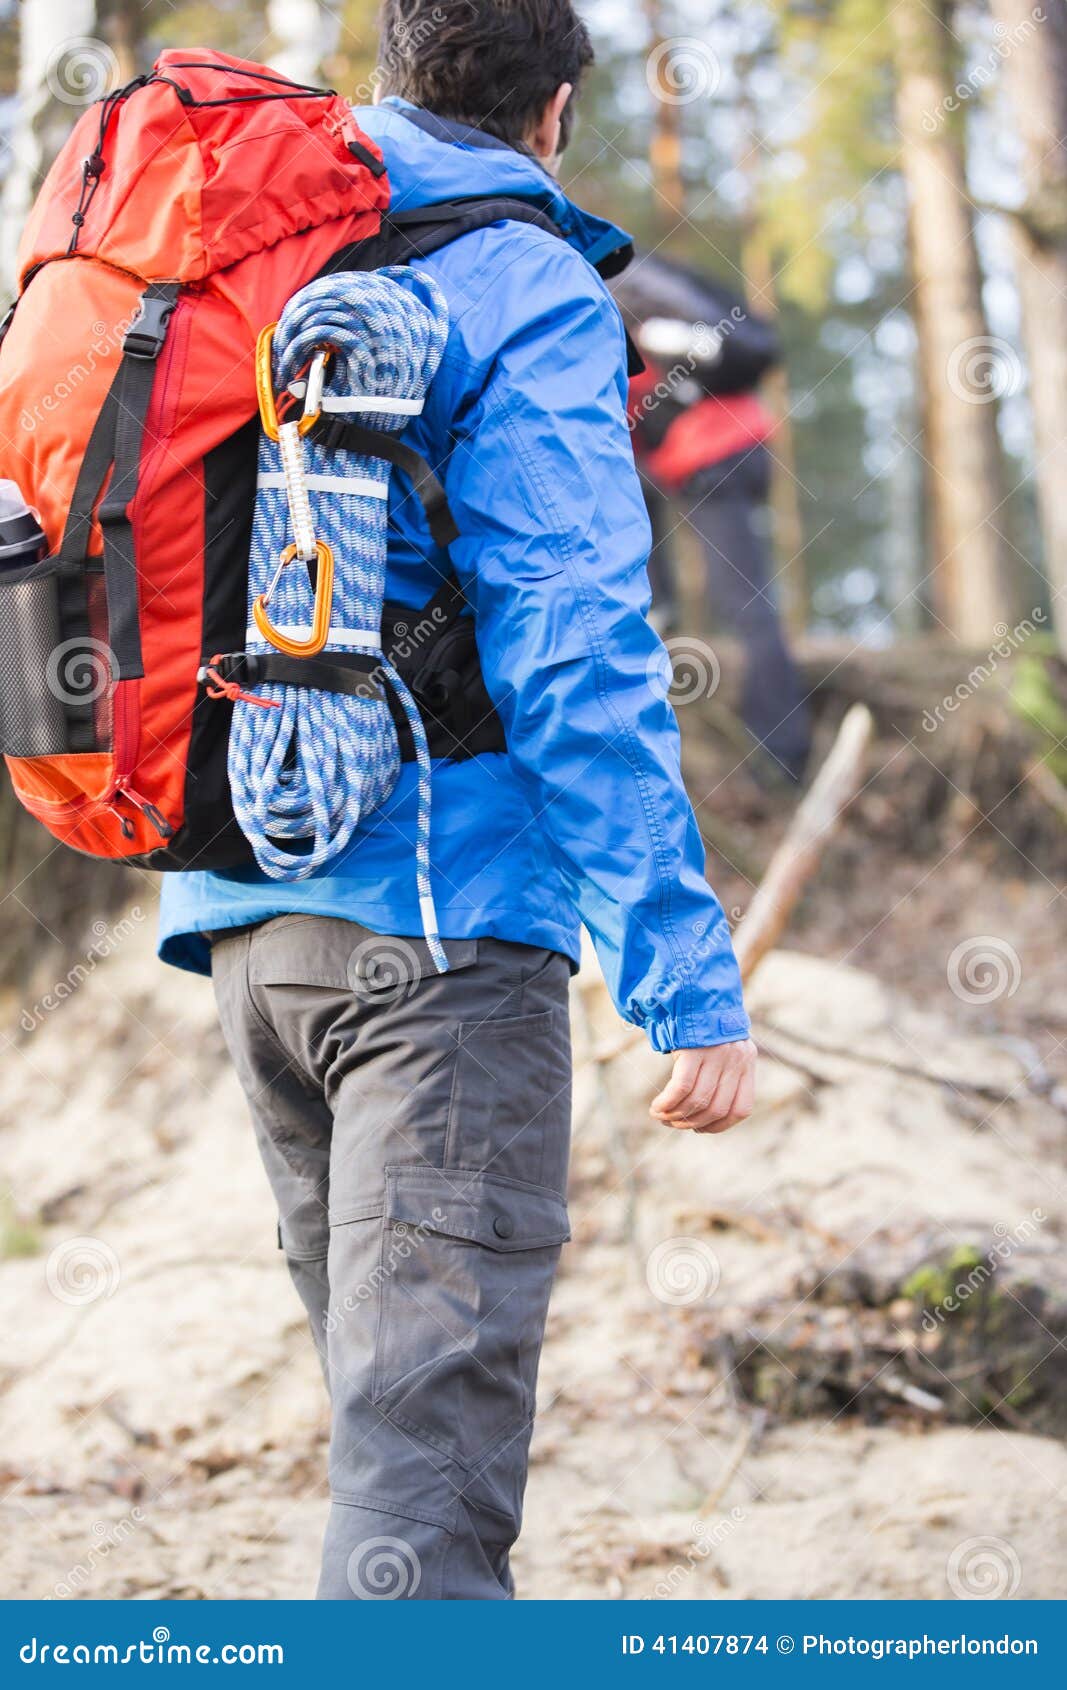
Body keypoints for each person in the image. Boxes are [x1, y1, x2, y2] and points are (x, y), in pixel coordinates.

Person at [157, 0, 756, 1601]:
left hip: (240, 917)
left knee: (390, 1448)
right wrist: (678, 972)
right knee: (419, 1508)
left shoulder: (255, 233)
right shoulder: (525, 280)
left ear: (389, 80)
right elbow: (573, 648)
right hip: (436, 942)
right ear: (555, 113)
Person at [615, 252, 812, 782]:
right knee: (734, 595)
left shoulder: (633, 314)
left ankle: (783, 753)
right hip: (715, 450)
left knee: (743, 602)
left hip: (719, 451)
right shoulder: (630, 311)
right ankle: (661, 620)